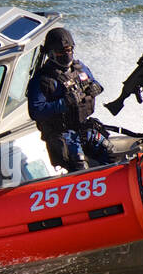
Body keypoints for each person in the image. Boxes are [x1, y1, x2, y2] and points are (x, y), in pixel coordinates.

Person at [27, 27, 115, 171]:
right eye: (61, 52)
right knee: (80, 165)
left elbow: (96, 83)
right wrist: (64, 102)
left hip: (83, 127)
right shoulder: (42, 79)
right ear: (51, 54)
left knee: (109, 153)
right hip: (61, 133)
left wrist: (96, 88)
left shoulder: (79, 68)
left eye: (69, 50)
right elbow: (35, 111)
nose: (66, 54)